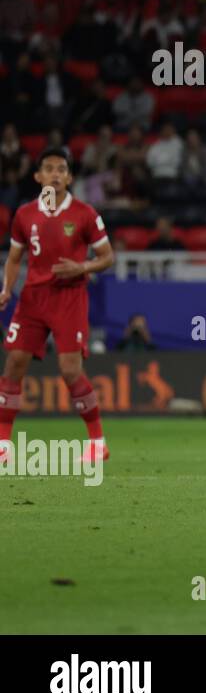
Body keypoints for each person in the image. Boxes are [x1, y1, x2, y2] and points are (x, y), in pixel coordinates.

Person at [0, 149, 116, 464]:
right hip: (33, 298)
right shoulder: (24, 214)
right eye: (48, 168)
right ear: (38, 176)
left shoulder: (85, 213)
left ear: (69, 177)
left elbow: (108, 257)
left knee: (69, 370)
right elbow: (14, 258)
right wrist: (7, 289)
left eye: (61, 169)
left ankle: (96, 443)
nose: (54, 174)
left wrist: (82, 268)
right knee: (13, 365)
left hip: (69, 297)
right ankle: (3, 445)